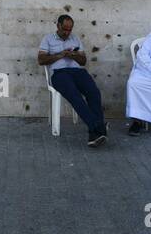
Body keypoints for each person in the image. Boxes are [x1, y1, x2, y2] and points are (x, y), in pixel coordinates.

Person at [37, 14, 108, 148]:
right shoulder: (48, 39)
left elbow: (83, 61)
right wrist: (61, 54)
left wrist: (74, 55)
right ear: (58, 25)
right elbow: (41, 60)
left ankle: (95, 133)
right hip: (59, 74)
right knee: (75, 96)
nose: (67, 32)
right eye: (64, 29)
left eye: (70, 29)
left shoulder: (75, 39)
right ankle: (98, 127)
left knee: (94, 93)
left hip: (78, 72)